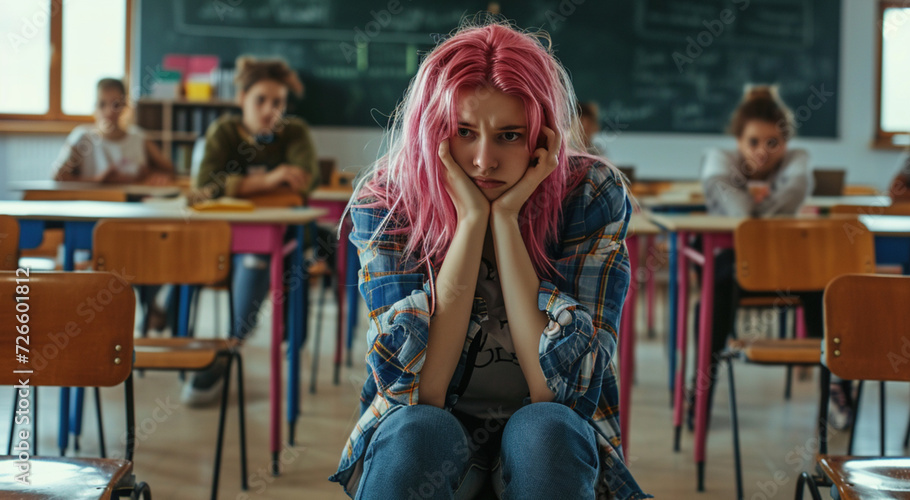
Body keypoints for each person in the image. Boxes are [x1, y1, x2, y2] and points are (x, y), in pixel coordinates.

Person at [330, 21, 648, 500]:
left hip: (544, 441)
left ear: (541, 138)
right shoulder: (387, 199)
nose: (483, 160)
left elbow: (557, 393)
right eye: (463, 132)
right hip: (427, 439)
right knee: (418, 431)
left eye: (509, 135)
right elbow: (423, 392)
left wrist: (507, 222)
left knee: (547, 432)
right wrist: (472, 219)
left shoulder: (589, 194)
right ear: (433, 132)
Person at [699, 86, 854, 430]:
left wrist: (757, 208)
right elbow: (741, 216)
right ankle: (702, 389)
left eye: (773, 142)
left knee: (823, 279)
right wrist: (761, 208)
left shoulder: (798, 159)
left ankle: (836, 388)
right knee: (718, 286)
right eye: (753, 142)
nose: (763, 152)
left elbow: (795, 189)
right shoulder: (718, 158)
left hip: (789, 268)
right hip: (736, 266)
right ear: (738, 141)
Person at [186, 56, 319, 405]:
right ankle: (222, 344)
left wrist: (238, 186)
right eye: (260, 100)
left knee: (260, 253)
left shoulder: (295, 132)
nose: (270, 110)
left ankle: (231, 345)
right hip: (220, 239)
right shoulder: (224, 132)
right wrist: (271, 179)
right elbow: (204, 186)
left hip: (282, 238)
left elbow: (304, 184)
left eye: (278, 102)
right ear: (241, 98)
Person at [53, 78, 174, 184]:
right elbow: (57, 177)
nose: (109, 112)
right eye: (102, 104)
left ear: (124, 106)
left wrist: (153, 176)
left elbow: (170, 170)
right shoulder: (82, 137)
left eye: (115, 105)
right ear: (94, 107)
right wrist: (97, 181)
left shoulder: (139, 137)